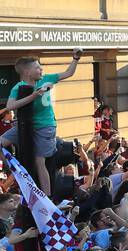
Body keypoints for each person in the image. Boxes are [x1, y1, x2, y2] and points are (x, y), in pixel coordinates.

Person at [1, 50, 83, 194]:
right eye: (37, 68)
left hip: (45, 126)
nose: (41, 70)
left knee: (40, 161)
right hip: (25, 126)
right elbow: (10, 106)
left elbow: (68, 73)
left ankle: (47, 196)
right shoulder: (18, 87)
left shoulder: (46, 79)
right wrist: (33, 96)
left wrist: (76, 58)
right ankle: (14, 169)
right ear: (27, 72)